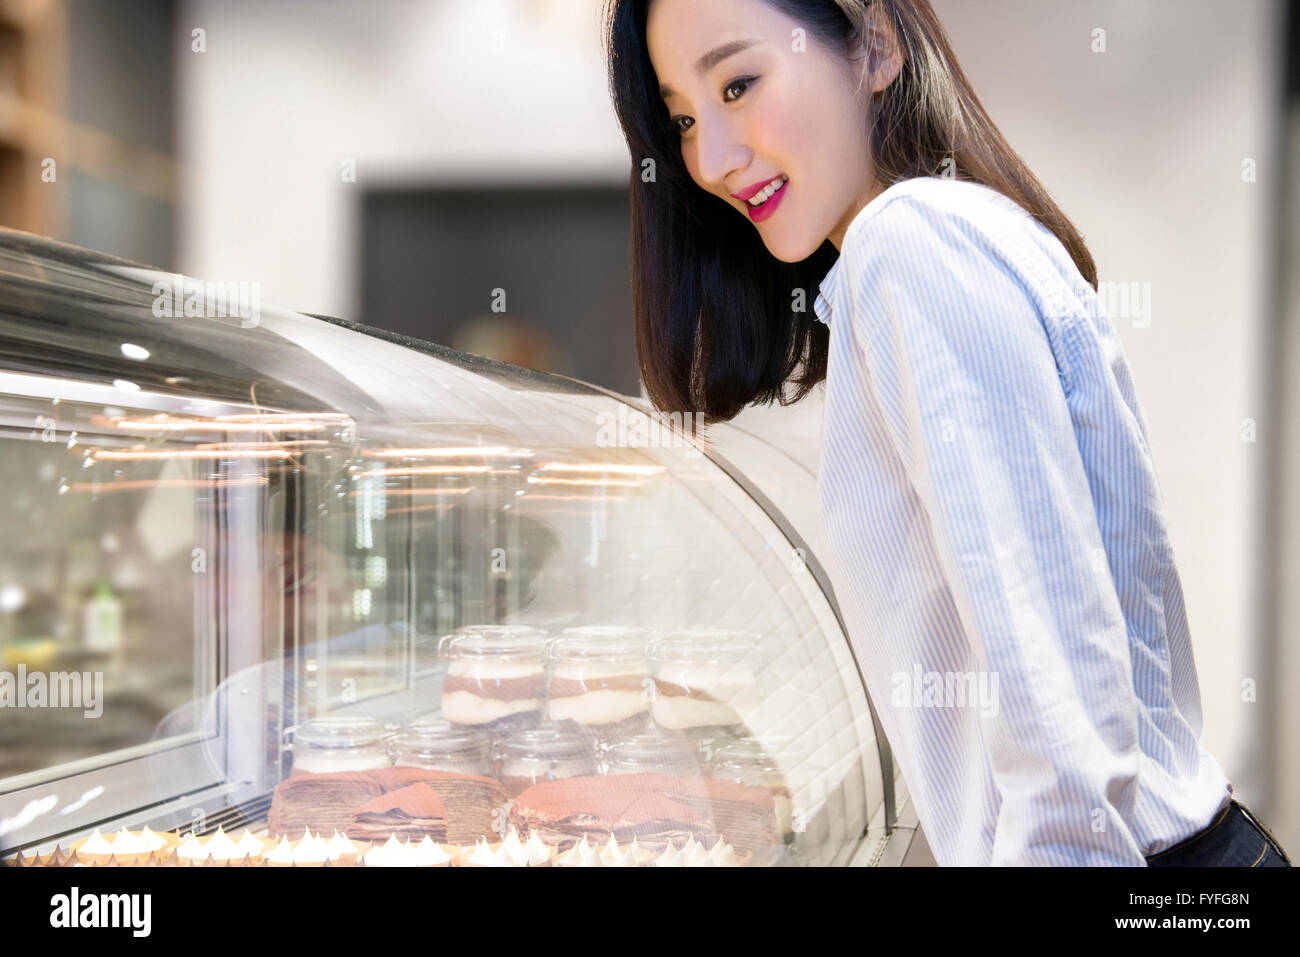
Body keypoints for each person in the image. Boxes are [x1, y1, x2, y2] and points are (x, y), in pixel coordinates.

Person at [601, 0, 1292, 866]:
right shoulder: (942, 237)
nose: (710, 158)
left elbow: (1056, 729)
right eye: (685, 121)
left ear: (878, 45)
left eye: (739, 84)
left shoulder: (910, 244)